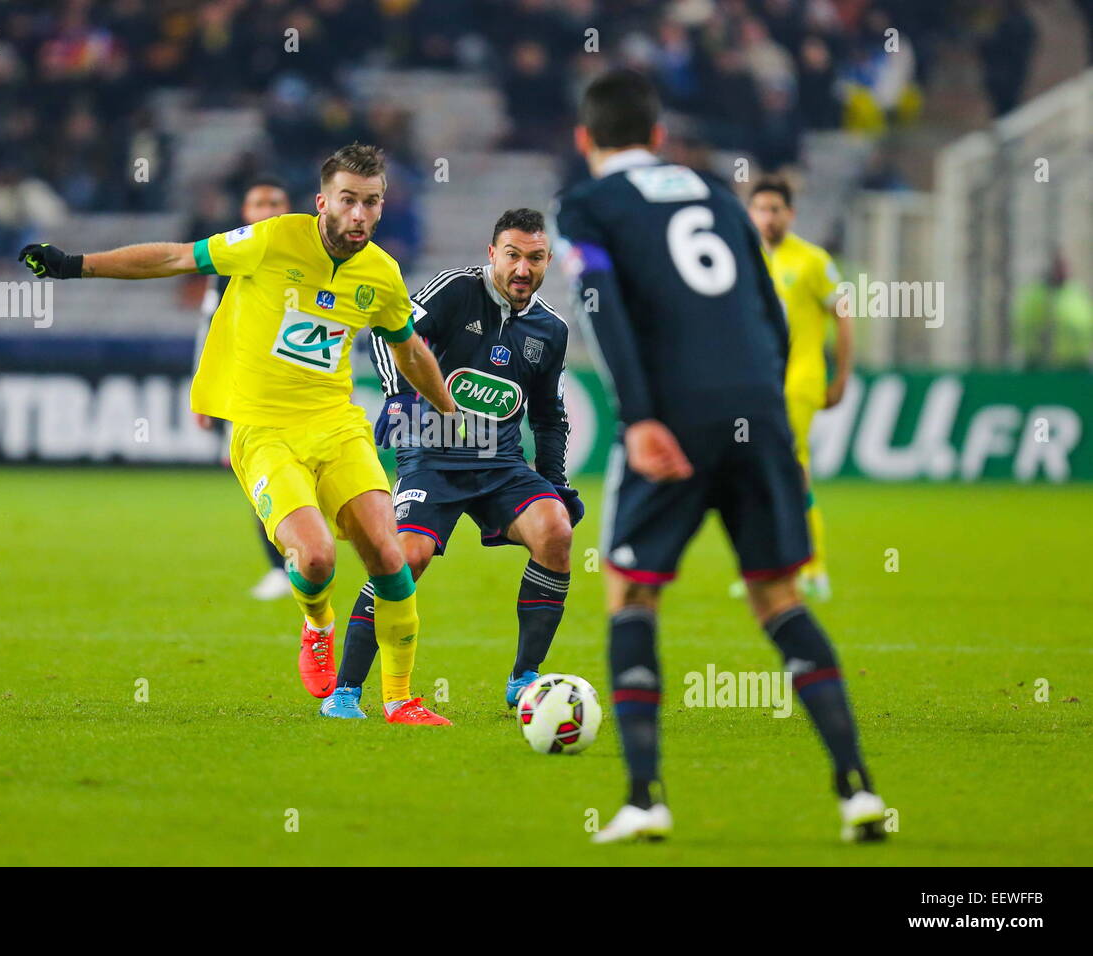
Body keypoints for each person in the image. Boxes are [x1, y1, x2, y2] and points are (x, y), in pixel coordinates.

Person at [553, 70, 884, 844]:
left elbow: (600, 312)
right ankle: (857, 791)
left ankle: (645, 798)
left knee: (632, 595)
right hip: (757, 411)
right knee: (779, 597)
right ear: (659, 134)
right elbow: (771, 315)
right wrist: (765, 411)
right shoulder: (718, 196)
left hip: (674, 418)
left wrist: (638, 418)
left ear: (584, 137)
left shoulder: (588, 206)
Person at [19, 144, 458, 725]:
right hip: (265, 430)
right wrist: (76, 264)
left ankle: (401, 699)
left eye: (371, 203)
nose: (359, 214)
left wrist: (448, 408)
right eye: (348, 200)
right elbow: (176, 258)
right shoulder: (273, 239)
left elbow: (409, 350)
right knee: (318, 558)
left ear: (381, 208)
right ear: (323, 201)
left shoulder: (381, 272)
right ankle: (318, 624)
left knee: (389, 554)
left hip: (337, 425)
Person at [323, 208, 582, 719]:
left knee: (555, 532)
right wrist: (398, 398)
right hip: (430, 452)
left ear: (548, 260)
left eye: (534, 258)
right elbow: (385, 333)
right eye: (512, 255)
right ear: (492, 255)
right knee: (405, 558)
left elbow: (550, 416)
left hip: (500, 462)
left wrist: (554, 482)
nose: (522, 269)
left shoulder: (550, 329)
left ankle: (524, 679)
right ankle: (346, 690)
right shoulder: (453, 291)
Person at [742, 177, 852, 601]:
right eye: (761, 209)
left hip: (799, 381)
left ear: (791, 213)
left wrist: (839, 375)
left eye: (775, 209)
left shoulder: (812, 261)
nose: (768, 218)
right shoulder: (746, 260)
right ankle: (765, 569)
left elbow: (843, 315)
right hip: (757, 382)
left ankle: (815, 566)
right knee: (756, 475)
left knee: (793, 470)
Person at [194, 175, 293, 601]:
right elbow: (209, 328)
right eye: (259, 203)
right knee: (261, 481)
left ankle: (302, 557)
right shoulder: (228, 264)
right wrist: (202, 389)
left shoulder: (311, 256)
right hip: (246, 392)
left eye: (276, 202)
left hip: (303, 390)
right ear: (245, 214)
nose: (268, 210)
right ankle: (282, 565)